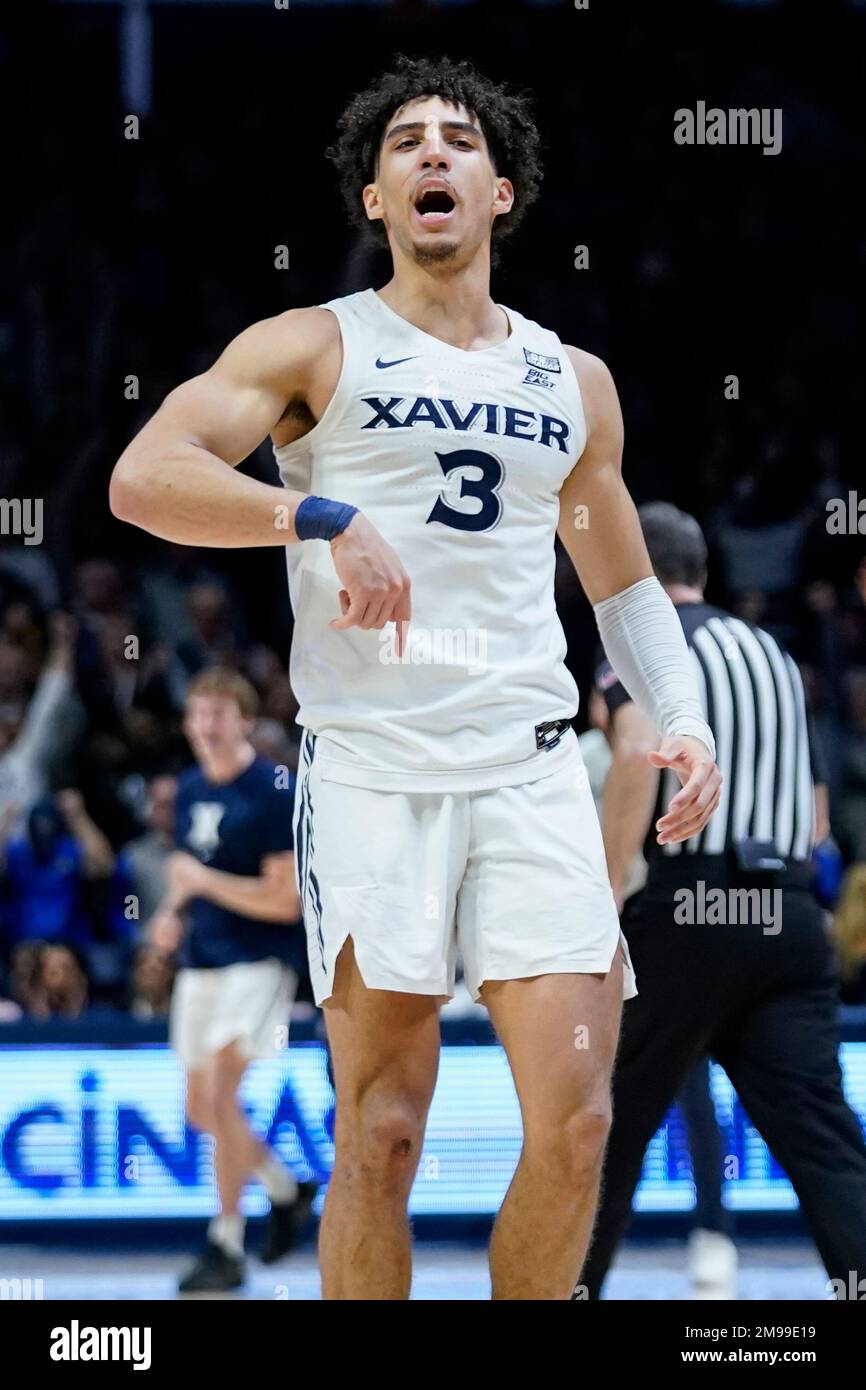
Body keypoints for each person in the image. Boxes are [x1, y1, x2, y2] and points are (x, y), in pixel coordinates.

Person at [110, 56, 720, 1300]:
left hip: (529, 772)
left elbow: (622, 592)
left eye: (458, 140)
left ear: (500, 191)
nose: (432, 151)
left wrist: (683, 713)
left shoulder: (571, 381)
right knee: (382, 1132)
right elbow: (144, 477)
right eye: (405, 143)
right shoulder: (311, 343)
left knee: (581, 1121)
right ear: (376, 198)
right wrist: (313, 514)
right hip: (372, 775)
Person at [577, 502, 866, 1300]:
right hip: (789, 914)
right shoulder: (771, 651)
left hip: (690, 909)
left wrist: (603, 896)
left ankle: (569, 1291)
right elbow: (815, 816)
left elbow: (636, 750)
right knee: (823, 1139)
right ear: (703, 567)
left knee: (604, 1127)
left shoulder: (640, 642)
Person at [149, 667, 314, 1293]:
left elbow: (285, 902)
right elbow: (190, 872)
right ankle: (285, 1188)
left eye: (217, 713)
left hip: (259, 960)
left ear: (245, 720)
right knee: (199, 1108)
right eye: (196, 714)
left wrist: (202, 882)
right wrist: (170, 913)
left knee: (220, 1095)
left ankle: (225, 1242)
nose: (205, 726)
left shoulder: (272, 789)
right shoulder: (190, 788)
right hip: (202, 961)